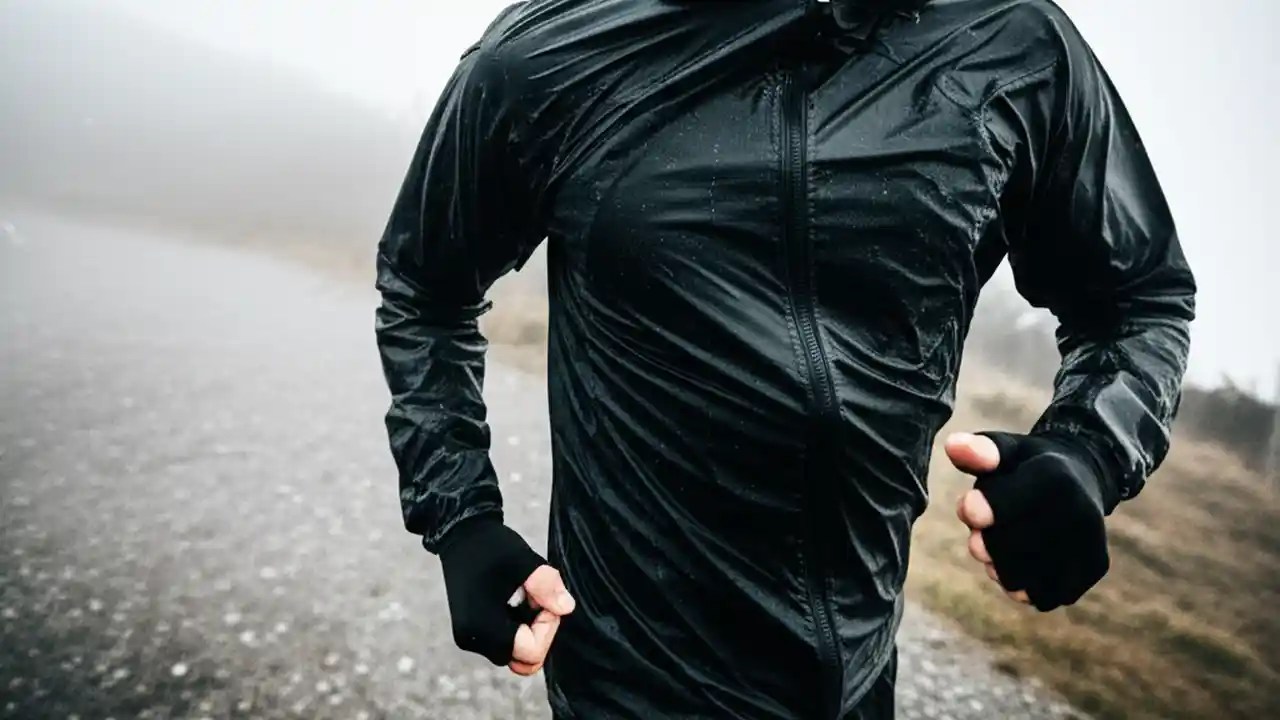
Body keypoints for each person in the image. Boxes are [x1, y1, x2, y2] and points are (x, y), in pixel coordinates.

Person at [374, 0, 1196, 717]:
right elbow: (425, 285)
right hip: (631, 676)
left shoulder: (1013, 43)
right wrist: (462, 517)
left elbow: (1138, 298)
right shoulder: (551, 52)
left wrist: (1087, 450)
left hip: (857, 676)